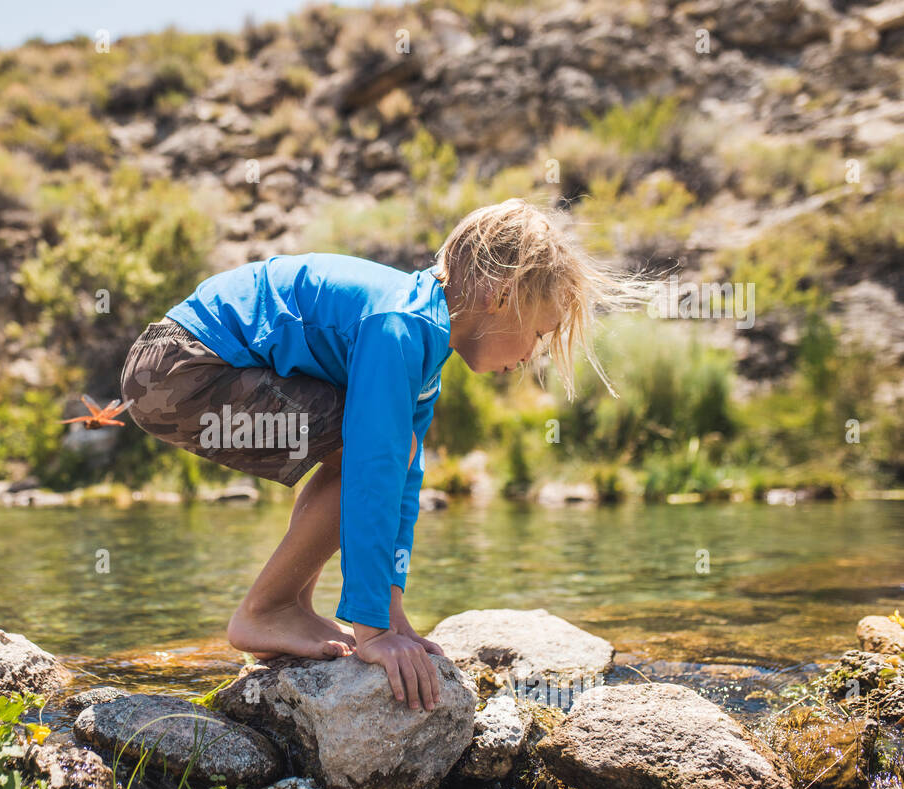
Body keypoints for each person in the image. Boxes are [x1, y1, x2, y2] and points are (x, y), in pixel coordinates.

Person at [119, 198, 646, 712]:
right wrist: (370, 632)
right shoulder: (399, 324)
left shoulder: (423, 343)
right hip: (179, 370)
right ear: (500, 296)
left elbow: (402, 479)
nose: (533, 354)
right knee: (361, 450)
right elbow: (373, 470)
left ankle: (289, 608)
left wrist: (393, 614)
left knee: (383, 449)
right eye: (539, 333)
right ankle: (268, 608)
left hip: (183, 371)